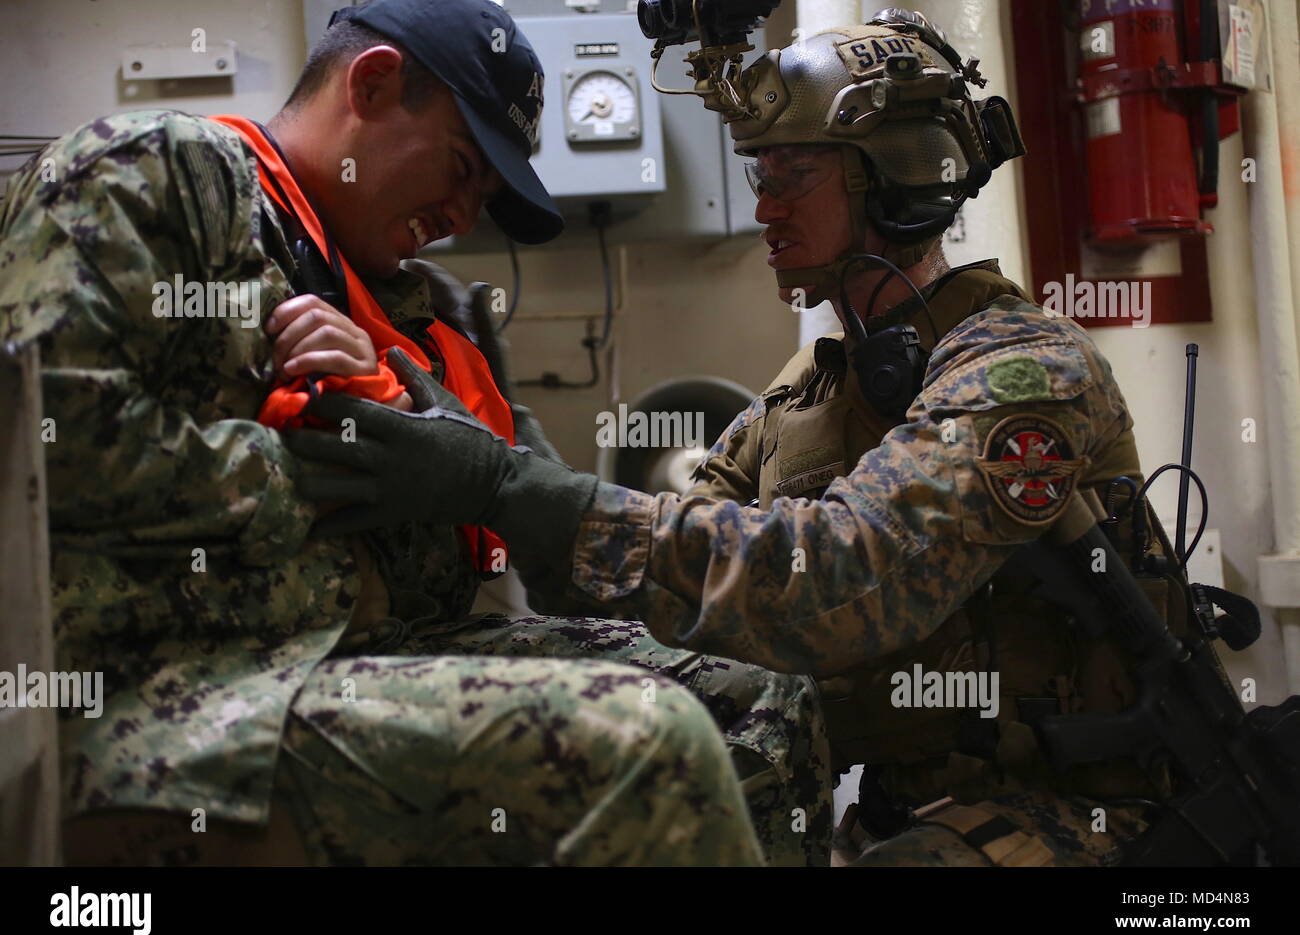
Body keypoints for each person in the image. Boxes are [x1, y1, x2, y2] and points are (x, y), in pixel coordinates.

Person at [289, 9, 1192, 866]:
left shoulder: (1023, 366)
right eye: (758, 174)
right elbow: (661, 579)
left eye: (790, 175)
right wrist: (490, 424)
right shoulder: (804, 394)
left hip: (1078, 810)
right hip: (899, 815)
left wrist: (504, 486)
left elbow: (845, 575)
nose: (764, 208)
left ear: (896, 174)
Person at [0, 0, 831, 866]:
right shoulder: (162, 173)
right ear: (373, 81)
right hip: (190, 689)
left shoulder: (412, 301)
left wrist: (420, 427)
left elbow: (504, 504)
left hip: (382, 652)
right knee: (641, 742)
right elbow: (50, 450)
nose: (465, 214)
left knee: (764, 690)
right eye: (464, 167)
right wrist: (321, 473)